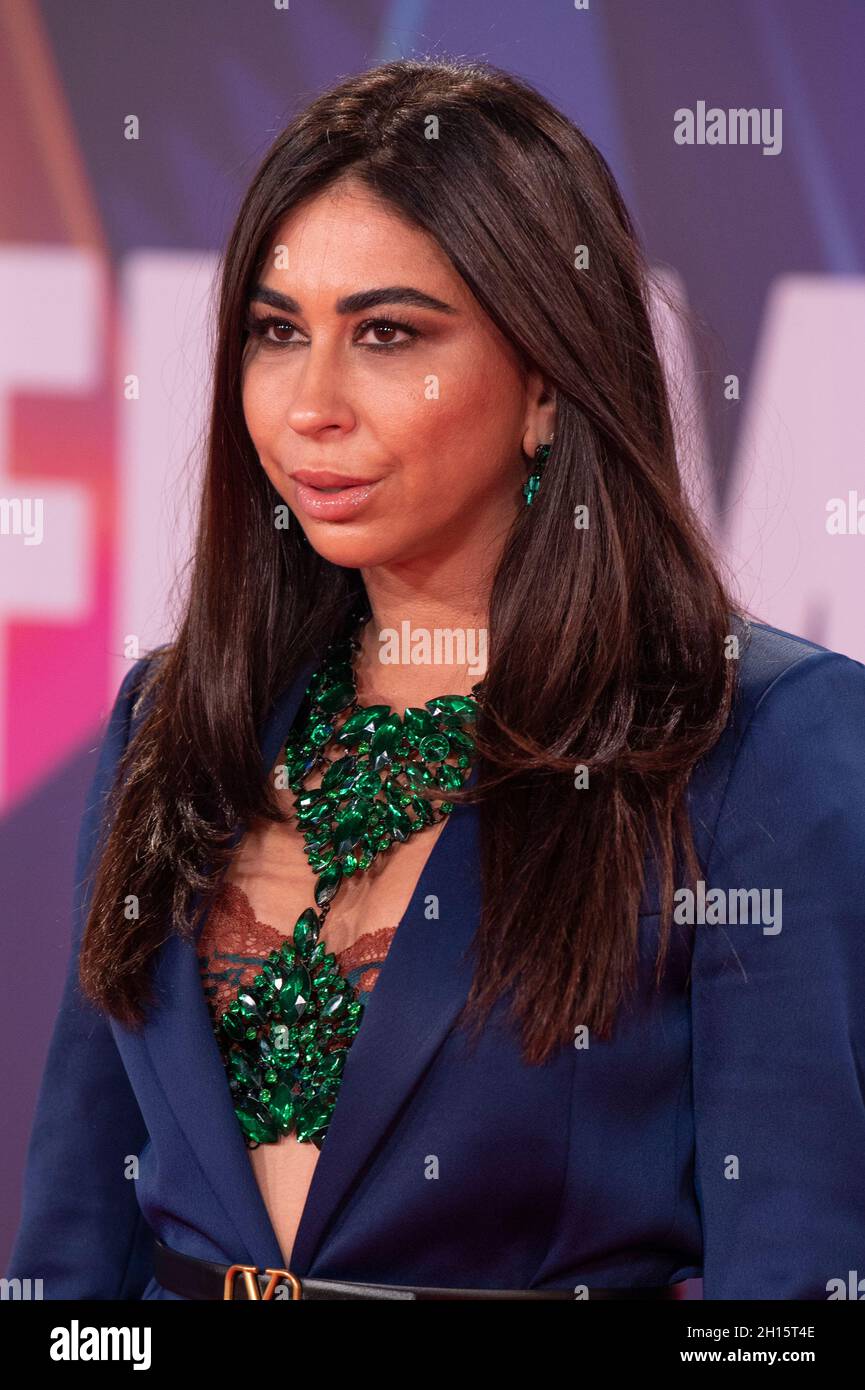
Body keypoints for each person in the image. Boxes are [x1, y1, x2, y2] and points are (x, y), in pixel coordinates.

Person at [8, 55, 865, 1301]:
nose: (310, 405)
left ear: (546, 383)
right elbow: (75, 1240)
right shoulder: (175, 717)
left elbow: (790, 1278)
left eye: (387, 334)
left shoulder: (753, 742)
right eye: (275, 332)